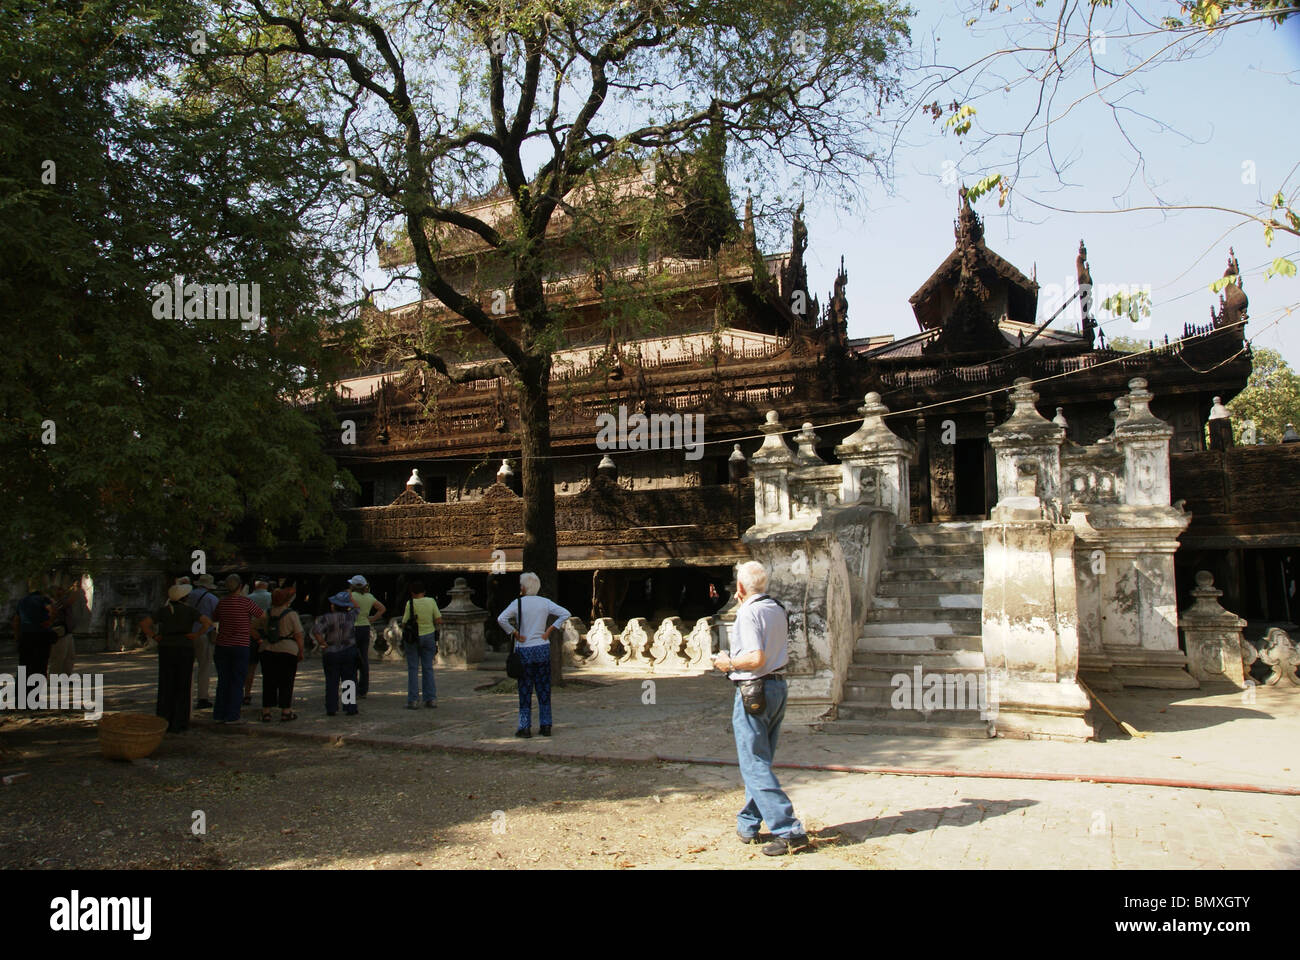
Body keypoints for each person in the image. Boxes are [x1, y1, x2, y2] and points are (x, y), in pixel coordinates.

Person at [712, 560, 808, 856]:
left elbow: (755, 658)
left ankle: (788, 828)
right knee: (760, 761)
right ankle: (748, 823)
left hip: (754, 690)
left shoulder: (748, 612)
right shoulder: (776, 608)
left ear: (739, 588)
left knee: (753, 763)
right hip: (777, 687)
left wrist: (727, 663)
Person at [496, 572, 570, 739]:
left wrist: (514, 633)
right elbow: (565, 613)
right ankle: (546, 725)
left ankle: (525, 727)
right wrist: (550, 629)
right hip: (542, 647)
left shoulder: (518, 603)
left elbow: (501, 618)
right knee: (543, 688)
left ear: (524, 587)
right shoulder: (545, 602)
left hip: (524, 649)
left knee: (525, 688)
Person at [139, 583, 213, 733]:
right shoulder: (189, 611)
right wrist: (196, 634)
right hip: (184, 647)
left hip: (166, 647)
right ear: (185, 598)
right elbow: (207, 622)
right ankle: (179, 722)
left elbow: (144, 624)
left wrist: (155, 636)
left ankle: (164, 718)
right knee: (183, 685)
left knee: (166, 683)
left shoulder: (163, 611)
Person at [211, 574, 267, 724]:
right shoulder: (246, 602)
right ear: (241, 587)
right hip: (240, 645)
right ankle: (233, 715)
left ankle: (219, 713)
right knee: (237, 681)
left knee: (223, 680)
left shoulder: (222, 603)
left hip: (223, 644)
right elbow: (263, 615)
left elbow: (215, 617)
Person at [259, 586, 304, 722]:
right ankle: (286, 710)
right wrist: (300, 651)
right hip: (287, 650)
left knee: (268, 681)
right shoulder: (291, 614)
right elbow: (298, 635)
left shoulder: (265, 613)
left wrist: (260, 639)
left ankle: (266, 711)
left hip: (267, 649)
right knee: (287, 681)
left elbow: (252, 628)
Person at [312, 592, 359, 716]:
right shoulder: (351, 616)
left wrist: (322, 643)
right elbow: (358, 607)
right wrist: (351, 597)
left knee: (332, 680)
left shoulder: (326, 618)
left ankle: (331, 707)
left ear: (334, 605)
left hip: (331, 651)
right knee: (349, 679)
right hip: (349, 650)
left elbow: (316, 631)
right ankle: (349, 707)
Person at [400, 581, 441, 709]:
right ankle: (430, 699)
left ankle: (413, 700)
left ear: (412, 593)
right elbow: (438, 619)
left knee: (413, 668)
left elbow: (404, 622)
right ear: (424, 592)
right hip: (429, 636)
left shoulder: (410, 603)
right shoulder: (431, 601)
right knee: (428, 667)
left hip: (413, 638)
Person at [348, 575, 385, 698]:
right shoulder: (369, 597)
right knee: (363, 658)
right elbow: (382, 609)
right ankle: (363, 690)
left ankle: (350, 691)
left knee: (350, 659)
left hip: (351, 627)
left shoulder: (350, 596)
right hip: (364, 627)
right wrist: (372, 619)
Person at [187, 574, 221, 709]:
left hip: (188, 633)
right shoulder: (212, 598)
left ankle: (186, 695)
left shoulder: (189, 595)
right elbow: (216, 616)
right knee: (204, 666)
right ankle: (202, 697)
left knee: (187, 666)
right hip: (203, 634)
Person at [11, 582, 55, 677]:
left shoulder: (22, 601)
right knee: (40, 664)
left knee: (24, 664)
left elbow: (16, 620)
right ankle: (35, 688)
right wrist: (50, 621)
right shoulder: (44, 599)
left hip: (25, 635)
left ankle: (21, 689)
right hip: (41, 636)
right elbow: (51, 610)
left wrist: (17, 636)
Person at [243, 579, 273, 705]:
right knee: (269, 668)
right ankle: (270, 695)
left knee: (250, 667)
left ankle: (247, 694)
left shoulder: (248, 598)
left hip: (251, 632)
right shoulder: (271, 597)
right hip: (267, 633)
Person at [48, 583, 77, 676]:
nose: (62, 591)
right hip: (60, 631)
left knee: (70, 656)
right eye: (59, 589)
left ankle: (65, 676)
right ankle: (53, 677)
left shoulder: (63, 600)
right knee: (58, 656)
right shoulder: (55, 602)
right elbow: (70, 601)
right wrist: (75, 590)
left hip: (68, 631)